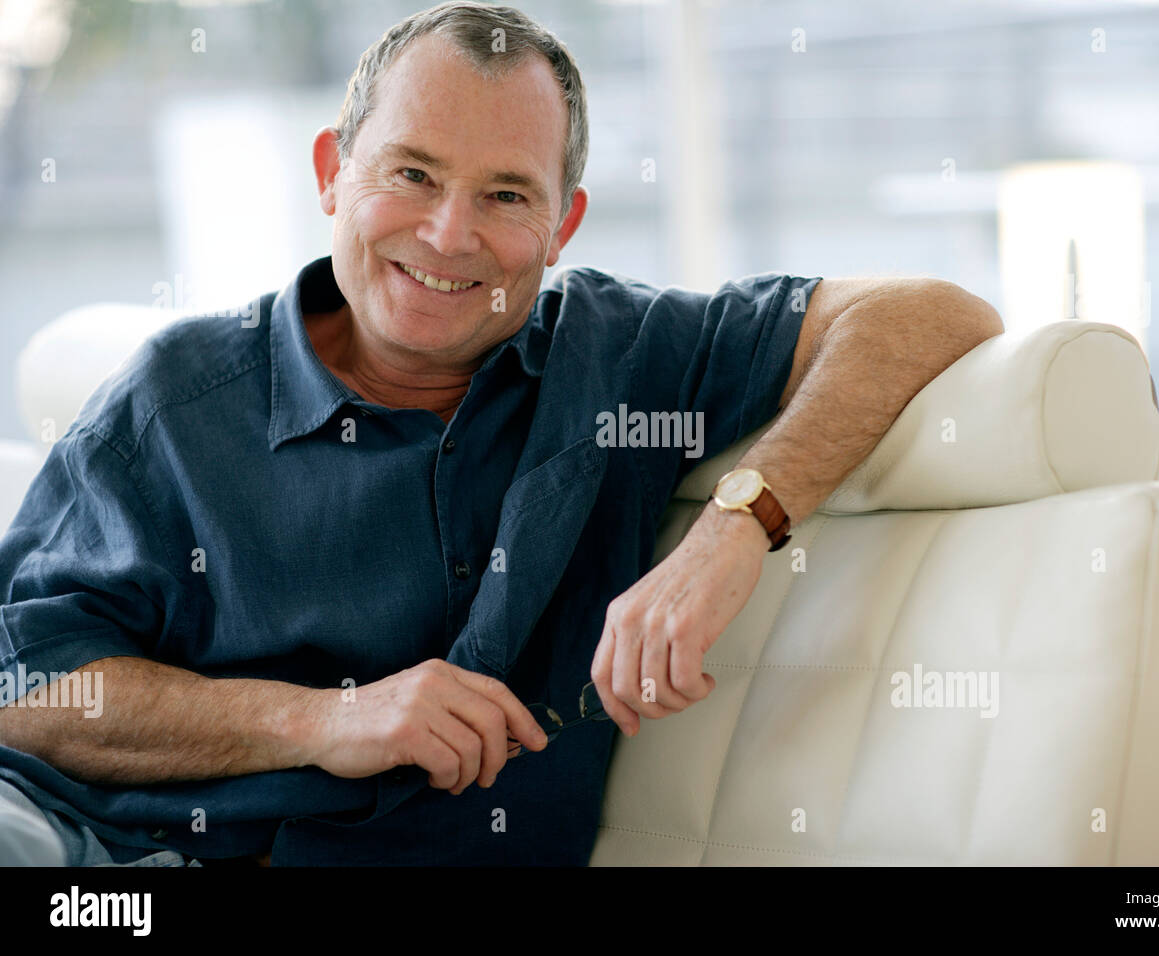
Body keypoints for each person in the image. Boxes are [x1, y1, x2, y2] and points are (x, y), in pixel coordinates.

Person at [0, 1, 1002, 866]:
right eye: (413, 173)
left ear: (562, 226)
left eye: (506, 195)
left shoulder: (623, 357)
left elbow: (927, 312)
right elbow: (23, 685)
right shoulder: (175, 399)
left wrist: (738, 526)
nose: (448, 235)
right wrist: (327, 718)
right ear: (332, 174)